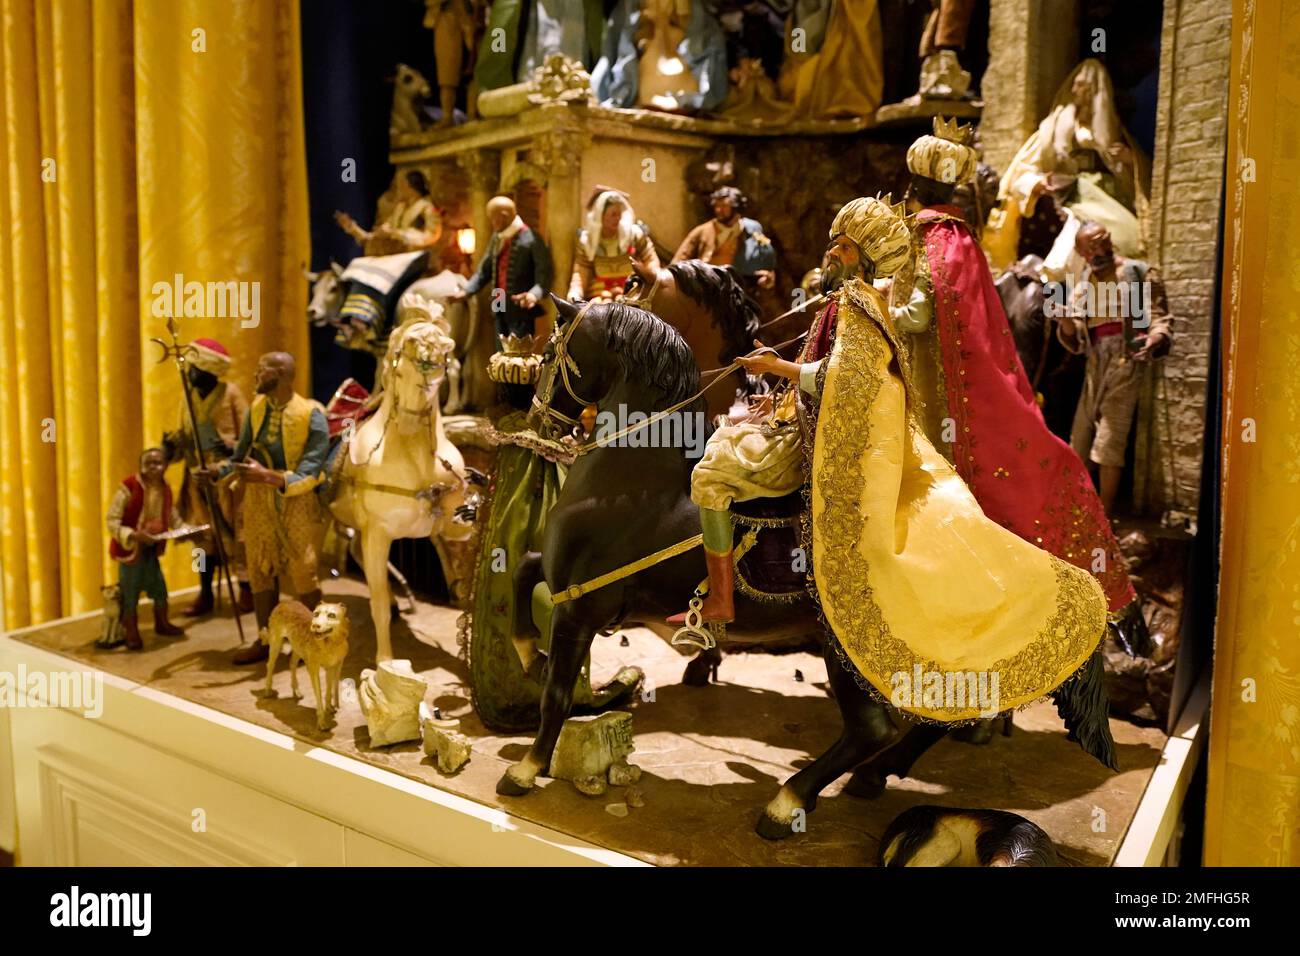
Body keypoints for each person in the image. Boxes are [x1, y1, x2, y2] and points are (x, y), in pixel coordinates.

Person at [672, 196, 1110, 723]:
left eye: (841, 245)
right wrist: (781, 395)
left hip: (821, 437)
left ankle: (720, 601)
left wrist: (778, 367)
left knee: (712, 472)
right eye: (835, 243)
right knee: (729, 435)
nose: (831, 252)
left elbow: (848, 380)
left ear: (859, 255)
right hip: (803, 416)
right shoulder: (854, 300)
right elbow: (829, 369)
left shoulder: (858, 305)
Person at [894, 118, 1138, 618]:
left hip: (1104, 361)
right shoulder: (955, 238)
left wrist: (871, 306)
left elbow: (925, 312)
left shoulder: (933, 239)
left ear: (914, 188)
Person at [195, 352, 330, 665]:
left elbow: (312, 470)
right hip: (257, 502)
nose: (255, 375)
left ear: (281, 373)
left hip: (295, 502)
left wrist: (269, 476)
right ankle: (266, 640)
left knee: (303, 569)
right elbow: (240, 457)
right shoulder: (256, 410)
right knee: (259, 569)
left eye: (261, 369)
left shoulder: (312, 414)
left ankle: (319, 639)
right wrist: (216, 472)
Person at [984, 58, 1150, 275]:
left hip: (1106, 191)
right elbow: (1025, 168)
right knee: (1075, 223)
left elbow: (1134, 171)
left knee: (1127, 231)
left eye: (1083, 85)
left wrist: (1128, 160)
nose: (1075, 90)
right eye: (1076, 84)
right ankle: (1052, 273)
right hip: (1071, 189)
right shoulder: (1056, 126)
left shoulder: (1110, 127)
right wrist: (1038, 183)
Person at [1059, 221, 1174, 513]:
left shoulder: (1137, 273)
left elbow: (1161, 317)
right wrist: (1063, 321)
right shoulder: (1085, 282)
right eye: (1091, 247)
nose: (1099, 250)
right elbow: (1074, 332)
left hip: (1125, 360)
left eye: (1102, 242)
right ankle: (1077, 510)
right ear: (1082, 253)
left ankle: (1105, 514)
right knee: (1079, 440)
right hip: (1095, 362)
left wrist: (1156, 337)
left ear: (1110, 240)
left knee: (1110, 440)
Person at [161, 338, 253, 617]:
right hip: (196, 484)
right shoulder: (186, 399)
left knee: (238, 538)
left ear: (206, 369)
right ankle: (205, 593)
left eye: (193, 367)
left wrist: (228, 454)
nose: (188, 372)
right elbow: (182, 440)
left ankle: (247, 592)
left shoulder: (231, 394)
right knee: (202, 542)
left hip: (228, 482)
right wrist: (169, 448)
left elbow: (249, 441)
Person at [106, 448, 189, 651]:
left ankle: (162, 623)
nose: (153, 467)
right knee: (130, 592)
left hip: (152, 551)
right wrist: (134, 535)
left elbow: (171, 515)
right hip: (132, 552)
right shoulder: (129, 487)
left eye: (158, 463)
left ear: (166, 465)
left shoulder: (165, 488)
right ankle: (131, 630)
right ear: (141, 465)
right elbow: (112, 520)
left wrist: (185, 530)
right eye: (148, 463)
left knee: (159, 588)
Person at [450, 195, 553, 340]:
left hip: (520, 307)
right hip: (498, 299)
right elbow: (483, 271)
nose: (492, 223)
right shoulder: (497, 238)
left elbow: (544, 275)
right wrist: (466, 291)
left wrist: (533, 295)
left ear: (504, 216)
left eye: (493, 218)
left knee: (518, 351)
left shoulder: (531, 239)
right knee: (500, 347)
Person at [672, 186, 776, 291]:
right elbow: (678, 262)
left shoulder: (751, 229)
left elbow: (764, 261)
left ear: (736, 207)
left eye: (724, 206)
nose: (718, 210)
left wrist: (766, 277)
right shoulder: (702, 231)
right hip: (708, 288)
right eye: (716, 205)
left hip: (739, 289)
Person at [568, 187, 659, 301]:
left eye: (619, 214)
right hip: (599, 298)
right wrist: (575, 294)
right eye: (613, 214)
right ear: (600, 215)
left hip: (632, 294)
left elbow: (651, 260)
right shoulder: (588, 242)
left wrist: (654, 281)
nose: (618, 218)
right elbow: (581, 273)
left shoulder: (634, 235)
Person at [335, 170, 443, 258]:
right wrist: (353, 229)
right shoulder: (400, 209)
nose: (397, 189)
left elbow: (431, 236)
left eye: (401, 185)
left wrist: (398, 235)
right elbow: (377, 235)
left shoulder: (427, 208)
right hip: (395, 259)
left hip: (415, 260)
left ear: (410, 187)